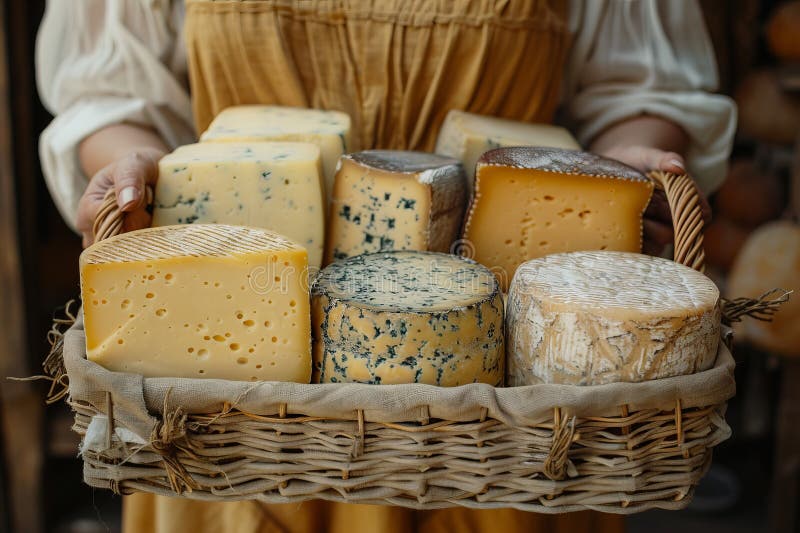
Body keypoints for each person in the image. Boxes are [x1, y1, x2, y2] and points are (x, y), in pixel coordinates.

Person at [36, 1, 736, 532]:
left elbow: (639, 90)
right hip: (222, 414)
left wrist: (630, 168)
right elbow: (111, 96)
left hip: (513, 439)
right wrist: (125, 171)